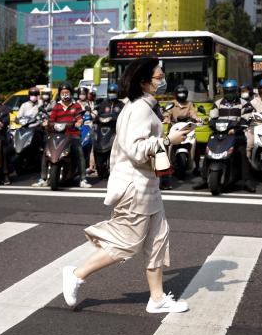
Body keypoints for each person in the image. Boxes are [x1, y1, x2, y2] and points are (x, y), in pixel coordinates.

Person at [62, 56, 191, 313]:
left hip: (147, 185)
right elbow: (135, 149)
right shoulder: (139, 109)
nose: (163, 80)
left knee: (157, 239)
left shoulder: (144, 106)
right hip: (136, 187)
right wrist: (169, 140)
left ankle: (157, 299)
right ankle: (76, 274)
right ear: (143, 81)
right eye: (158, 77)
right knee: (127, 242)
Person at [194, 79, 257, 192]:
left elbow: (245, 118)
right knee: (208, 152)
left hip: (236, 134)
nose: (230, 94)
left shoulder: (244, 103)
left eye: (232, 92)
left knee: (242, 153)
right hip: (219, 133)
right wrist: (211, 124)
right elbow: (213, 118)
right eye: (227, 92)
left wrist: (236, 129)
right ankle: (204, 179)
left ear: (236, 91)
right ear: (224, 92)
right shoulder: (217, 103)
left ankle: (247, 181)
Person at [48, 82, 90, 188]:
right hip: (58, 134)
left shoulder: (76, 105)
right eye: (63, 93)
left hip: (72, 134)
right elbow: (51, 119)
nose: (65, 94)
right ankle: (43, 178)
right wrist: (48, 123)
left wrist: (78, 122)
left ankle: (83, 179)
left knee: (79, 152)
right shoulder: (56, 106)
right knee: (46, 151)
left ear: (71, 94)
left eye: (67, 92)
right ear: (59, 94)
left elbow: (80, 118)